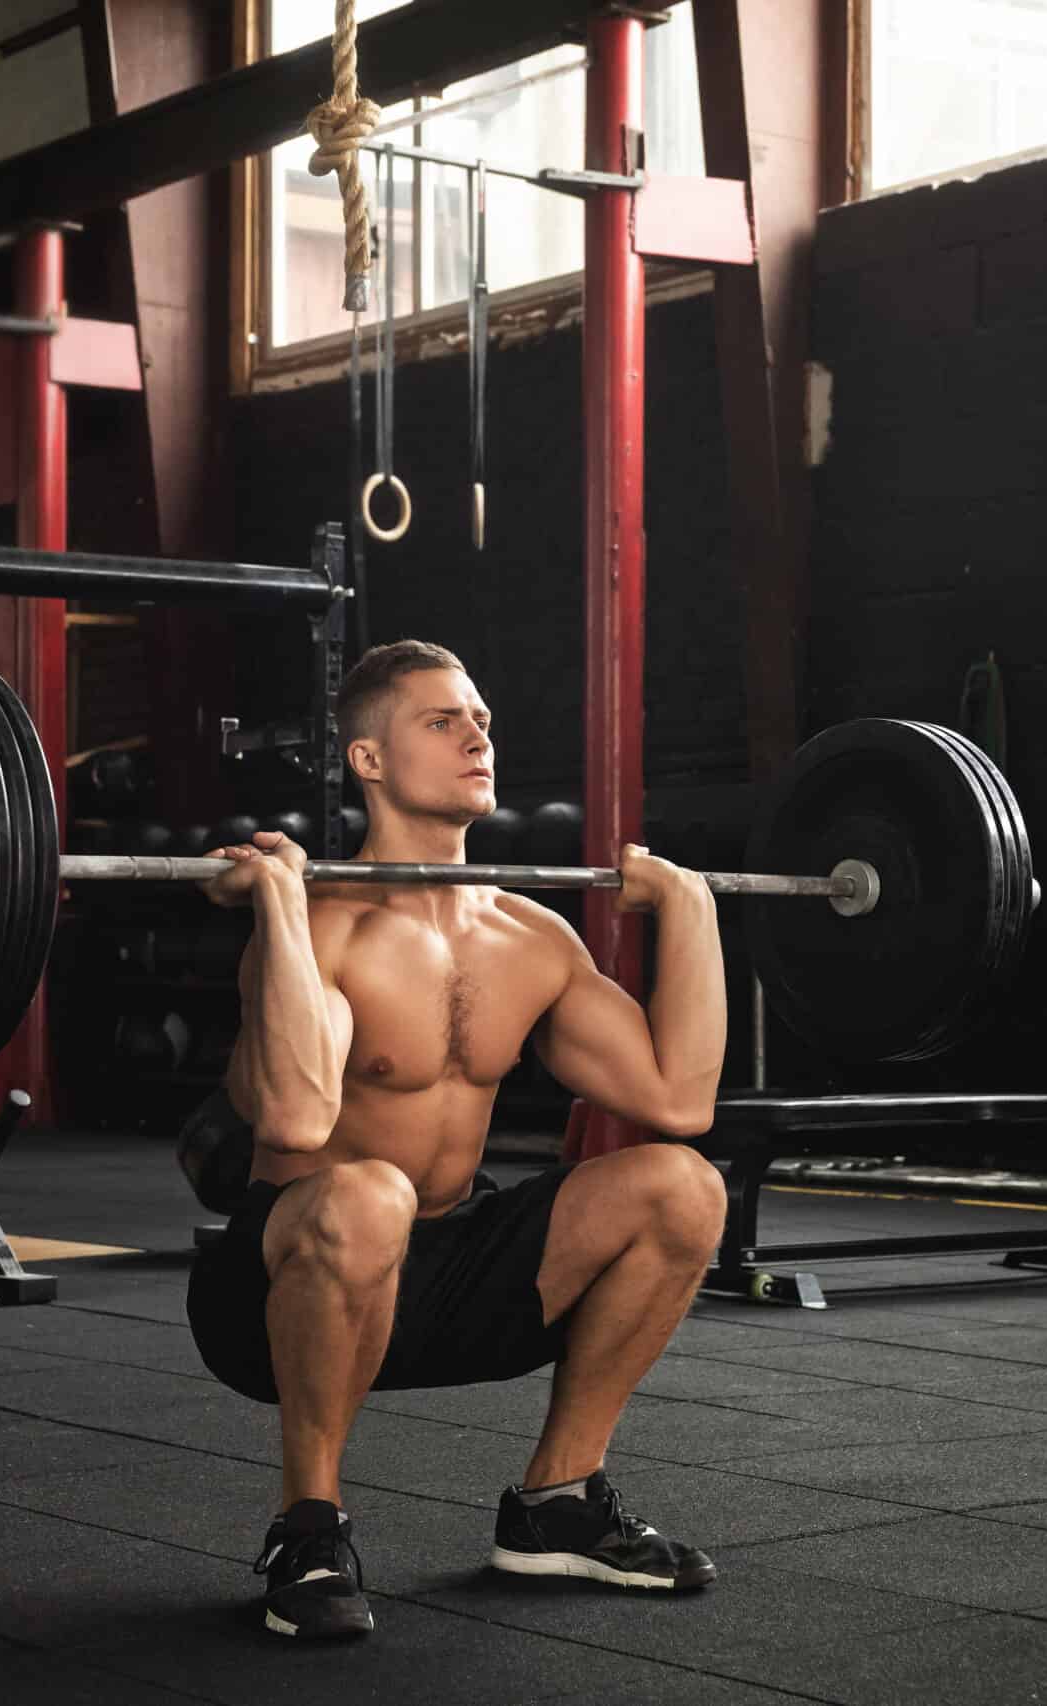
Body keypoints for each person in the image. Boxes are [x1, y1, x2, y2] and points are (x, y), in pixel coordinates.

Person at [187, 639, 731, 1641]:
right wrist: (280, 908)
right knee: (368, 1191)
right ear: (370, 761)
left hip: (446, 1275)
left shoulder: (530, 938)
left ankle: (557, 1498)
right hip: (276, 1288)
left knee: (683, 1186)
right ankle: (308, 1528)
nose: (477, 732)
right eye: (442, 720)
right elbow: (299, 1118)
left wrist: (691, 911)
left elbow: (676, 1095)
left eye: (480, 717)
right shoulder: (329, 921)